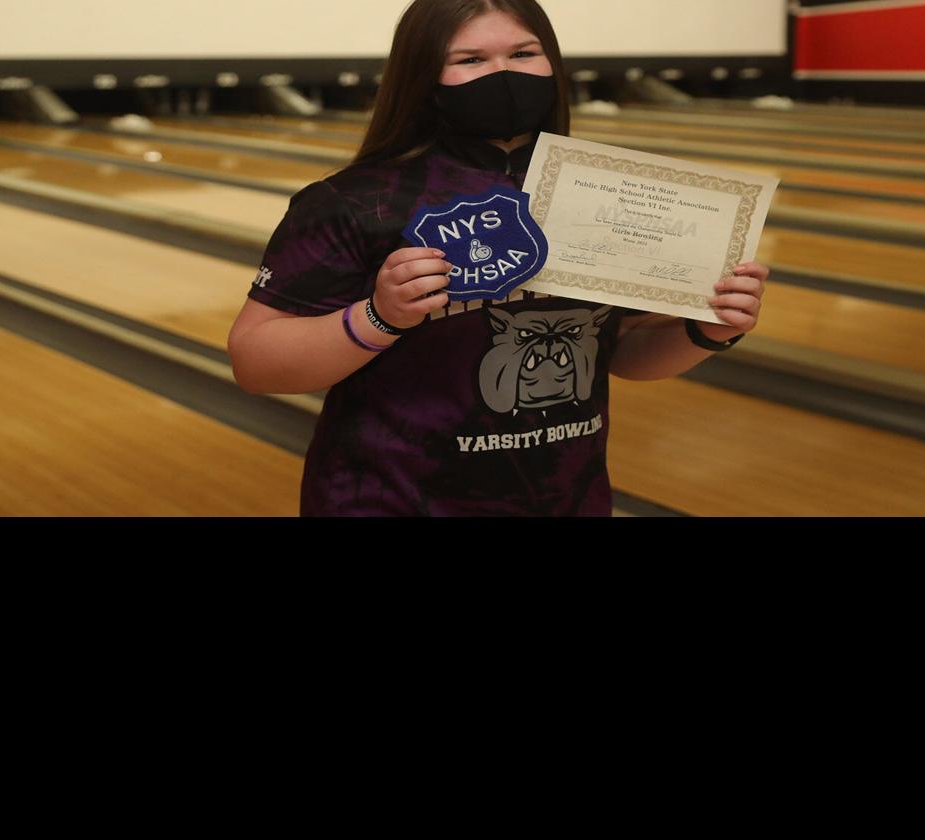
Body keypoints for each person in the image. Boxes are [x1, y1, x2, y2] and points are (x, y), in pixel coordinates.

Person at [227, 0, 768, 516]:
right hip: (388, 499)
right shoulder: (356, 201)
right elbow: (254, 362)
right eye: (470, 60)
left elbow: (622, 354)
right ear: (422, 76)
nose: (503, 73)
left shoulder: (603, 195)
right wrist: (378, 316)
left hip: (565, 499)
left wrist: (709, 330)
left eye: (524, 54)